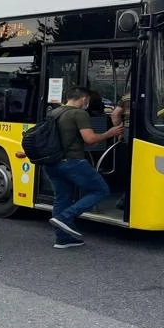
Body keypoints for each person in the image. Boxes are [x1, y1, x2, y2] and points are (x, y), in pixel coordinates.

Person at [47, 86, 125, 248]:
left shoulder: (54, 112)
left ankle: (62, 239)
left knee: (62, 197)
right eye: (87, 100)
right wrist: (110, 133)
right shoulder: (79, 113)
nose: (87, 103)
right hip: (73, 162)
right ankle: (65, 217)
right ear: (84, 99)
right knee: (101, 190)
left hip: (53, 163)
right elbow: (90, 139)